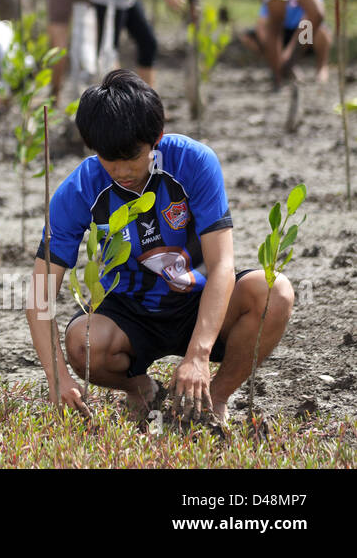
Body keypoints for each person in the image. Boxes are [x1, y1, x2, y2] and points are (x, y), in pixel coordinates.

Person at [25, 70, 293, 426]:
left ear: (156, 139)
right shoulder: (78, 190)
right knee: (83, 341)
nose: (121, 170)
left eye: (132, 156)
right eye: (109, 158)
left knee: (275, 292)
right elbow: (40, 293)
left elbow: (222, 265)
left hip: (199, 300)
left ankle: (215, 399)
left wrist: (198, 354)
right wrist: (57, 376)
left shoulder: (193, 163)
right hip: (129, 310)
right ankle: (141, 389)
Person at [241, 0, 326, 73]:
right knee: (249, 37)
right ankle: (276, 64)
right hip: (281, 31)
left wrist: (289, 52)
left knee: (321, 32)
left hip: (301, 31)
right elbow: (262, 22)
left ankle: (320, 68)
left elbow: (308, 21)